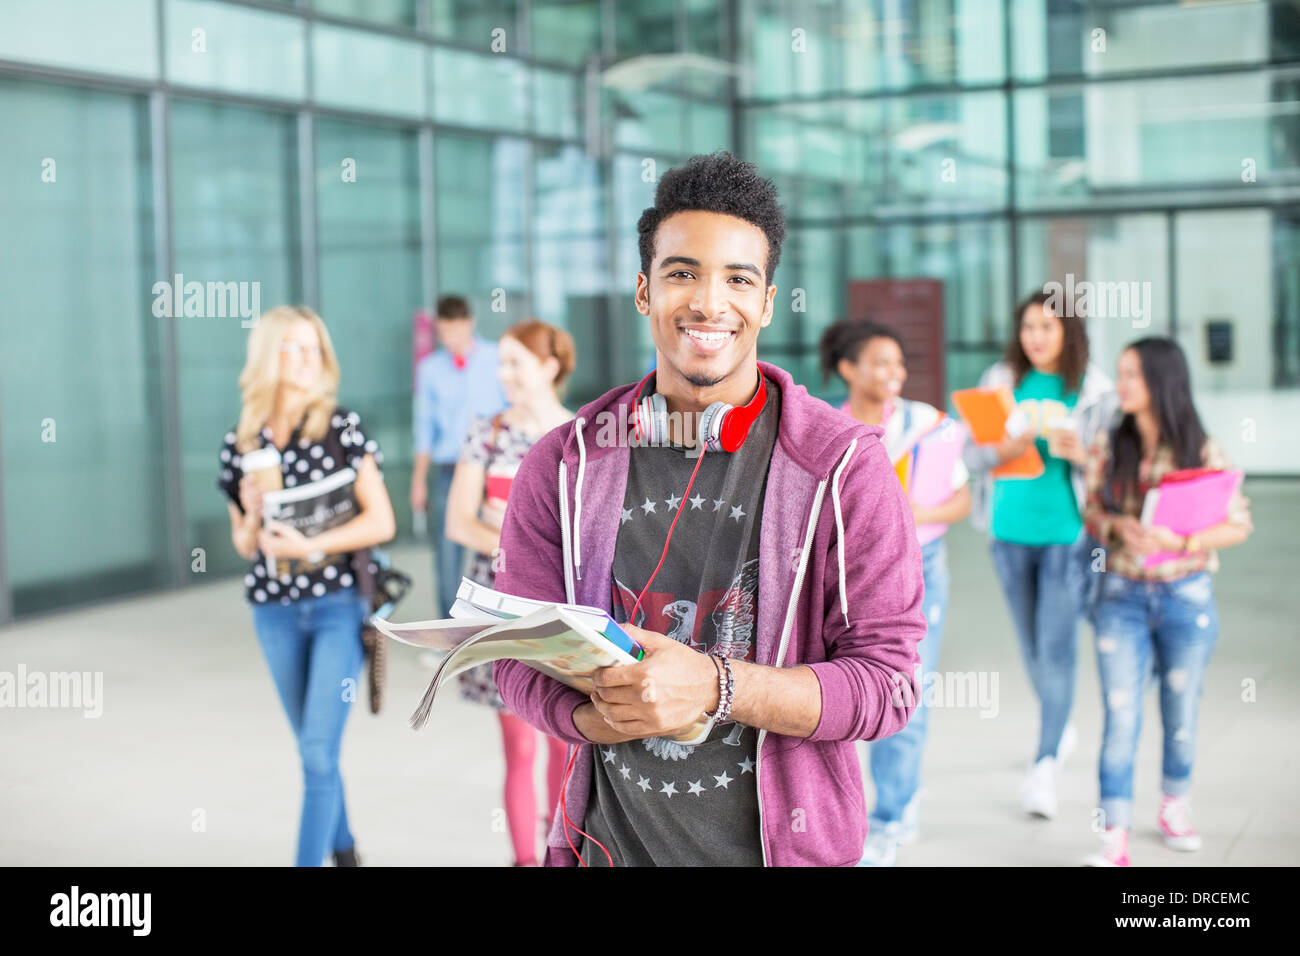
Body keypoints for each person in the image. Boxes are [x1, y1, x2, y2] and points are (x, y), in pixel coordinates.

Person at [492, 150, 927, 867]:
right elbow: (517, 659)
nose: (707, 302)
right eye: (682, 273)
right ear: (643, 290)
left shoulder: (844, 466)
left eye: (737, 279)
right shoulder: (563, 465)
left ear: (766, 301)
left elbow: (889, 684)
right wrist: (590, 718)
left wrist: (715, 686)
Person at [217, 305, 396, 866]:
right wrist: (249, 515)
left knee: (318, 752)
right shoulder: (241, 440)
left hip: (337, 607)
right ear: (267, 356)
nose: (305, 359)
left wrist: (307, 546)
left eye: (313, 348)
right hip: (273, 611)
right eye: (292, 348)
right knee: (313, 751)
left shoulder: (342, 427)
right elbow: (245, 545)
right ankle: (344, 851)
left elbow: (382, 521)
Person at [1081, 337, 1251, 867]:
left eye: (1131, 375)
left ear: (1162, 381)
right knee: (1121, 714)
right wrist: (1116, 527)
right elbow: (1091, 511)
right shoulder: (1110, 444)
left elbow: (1238, 524)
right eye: (1120, 373)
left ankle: (1174, 806)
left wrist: (1180, 541)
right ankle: (1115, 834)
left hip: (1186, 596)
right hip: (1121, 596)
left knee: (1180, 713)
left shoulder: (1204, 450)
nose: (1121, 384)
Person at [820, 318, 971, 866]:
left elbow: (962, 500)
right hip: (845, 570)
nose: (894, 374)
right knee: (837, 690)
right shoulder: (825, 427)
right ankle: (837, 813)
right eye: (880, 363)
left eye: (899, 364)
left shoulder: (927, 426)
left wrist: (920, 512)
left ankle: (893, 813)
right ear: (848, 370)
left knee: (905, 688)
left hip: (921, 562)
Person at [963, 290, 1117, 819]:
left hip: (1066, 538)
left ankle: (1045, 762)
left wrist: (1088, 458)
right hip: (1006, 534)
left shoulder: (1094, 389)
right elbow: (971, 455)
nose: (1036, 337)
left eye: (1047, 328)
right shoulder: (1000, 381)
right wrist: (1000, 451)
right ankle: (1061, 718)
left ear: (1068, 332)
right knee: (1031, 648)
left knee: (1056, 650)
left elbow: (1116, 469)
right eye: (1028, 327)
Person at [444, 319, 577, 867]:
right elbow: (458, 521)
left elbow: (587, 534)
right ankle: (524, 860)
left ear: (549, 366)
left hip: (559, 609)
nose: (506, 374)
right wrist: (514, 539)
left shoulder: (580, 434)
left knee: (563, 742)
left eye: (516, 362)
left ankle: (558, 851)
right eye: (501, 363)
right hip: (497, 608)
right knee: (519, 745)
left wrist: (518, 532)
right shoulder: (487, 432)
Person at [411, 295, 507, 616]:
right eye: (444, 331)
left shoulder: (497, 358)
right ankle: (449, 627)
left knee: (498, 542)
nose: (450, 337)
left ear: (469, 323)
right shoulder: (429, 369)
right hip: (448, 468)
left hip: (493, 466)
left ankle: (495, 619)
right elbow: (424, 428)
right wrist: (418, 482)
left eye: (455, 329)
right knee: (447, 549)